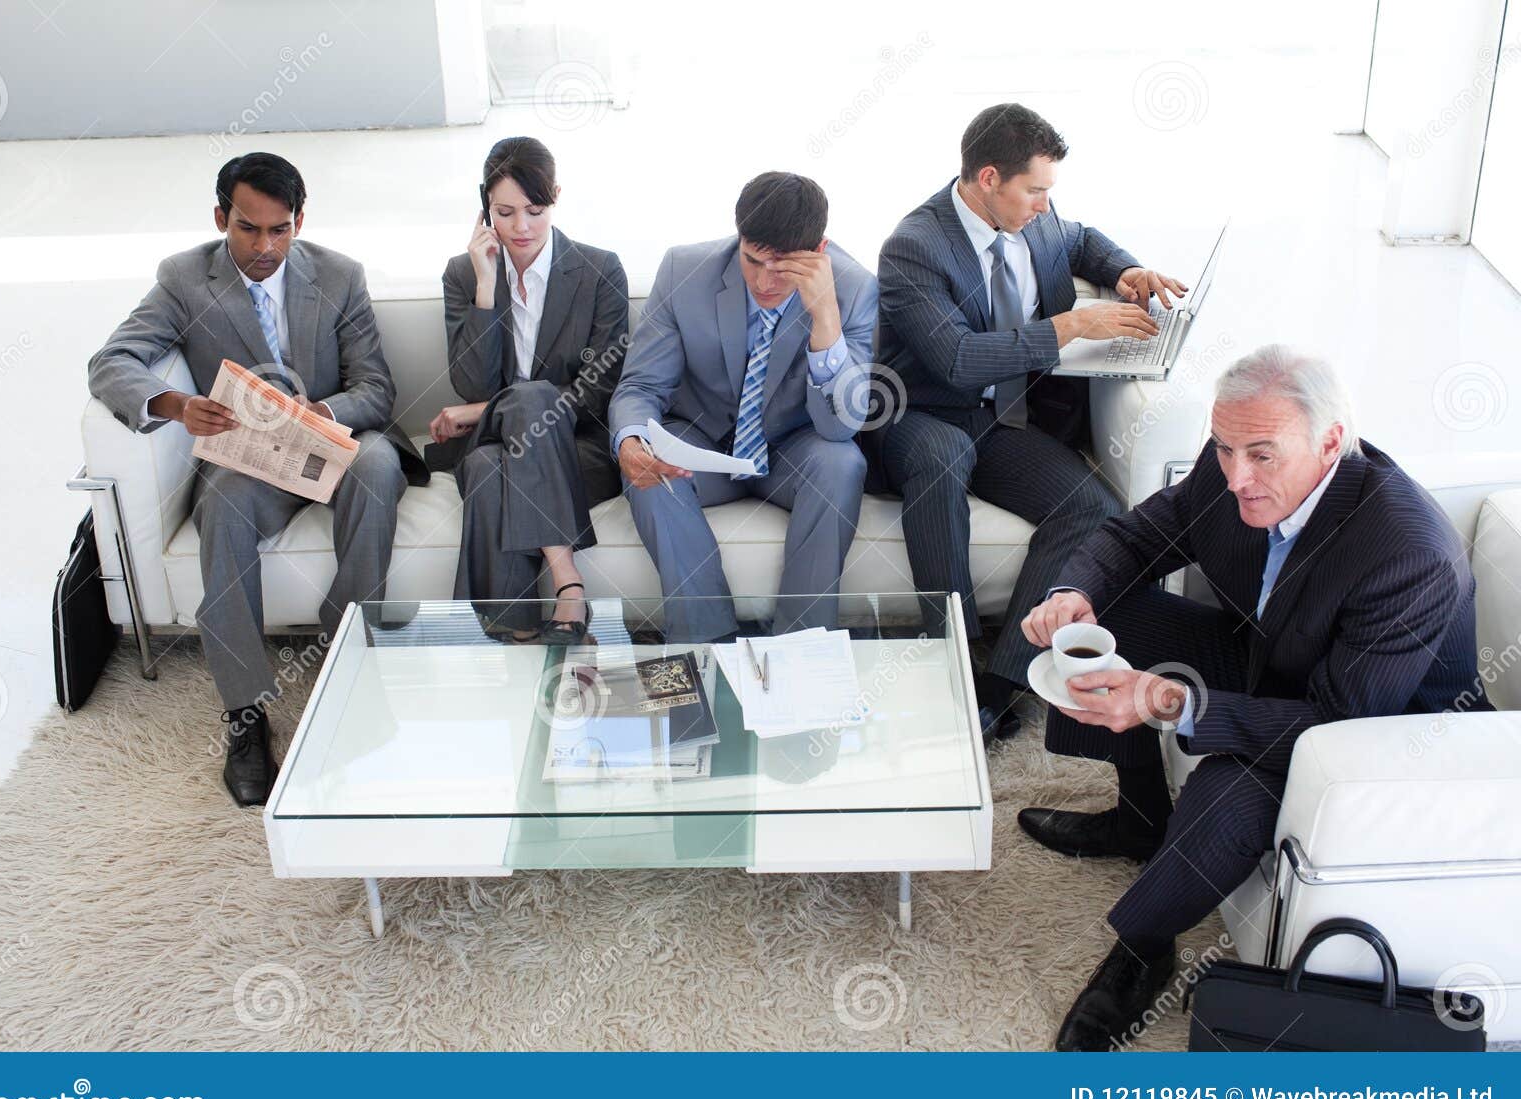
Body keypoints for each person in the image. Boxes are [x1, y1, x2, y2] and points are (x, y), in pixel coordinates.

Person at [1016, 345, 1489, 1050]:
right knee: (1108, 621)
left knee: (1224, 794)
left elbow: (1336, 720)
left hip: (1370, 737)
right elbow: (1138, 536)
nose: (1236, 477)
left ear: (1331, 442)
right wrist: (1073, 595)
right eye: (1224, 448)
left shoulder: (1406, 553)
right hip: (1279, 661)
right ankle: (1139, 820)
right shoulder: (1231, 461)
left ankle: (1145, 950)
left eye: (1262, 455)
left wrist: (1172, 703)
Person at [88, 152, 428, 807]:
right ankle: (245, 713)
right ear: (222, 218)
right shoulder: (184, 280)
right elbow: (111, 362)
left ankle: (345, 644)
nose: (265, 246)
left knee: (380, 464)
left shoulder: (338, 276)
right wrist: (175, 406)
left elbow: (376, 388)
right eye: (248, 229)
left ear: (300, 221)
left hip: (331, 440)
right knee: (223, 514)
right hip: (248, 462)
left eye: (280, 230)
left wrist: (317, 415)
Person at [874, 103, 1187, 741]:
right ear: (988, 178)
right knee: (942, 459)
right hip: (919, 411)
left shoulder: (1037, 223)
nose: (1045, 204)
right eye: (1036, 190)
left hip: (999, 418)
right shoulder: (914, 247)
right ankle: (949, 658)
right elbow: (956, 358)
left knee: (1092, 507)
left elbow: (1080, 239)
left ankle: (1006, 677)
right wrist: (1071, 326)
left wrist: (1124, 269)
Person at [607, 172, 878, 642]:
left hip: (794, 452)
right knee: (649, 466)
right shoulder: (683, 271)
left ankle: (802, 645)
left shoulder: (854, 288)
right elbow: (641, 385)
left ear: (819, 252)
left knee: (844, 463)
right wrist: (630, 438)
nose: (763, 281)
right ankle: (705, 643)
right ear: (739, 240)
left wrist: (825, 318)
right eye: (752, 261)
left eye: (784, 268)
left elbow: (840, 427)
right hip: (702, 446)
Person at [433, 137, 629, 643]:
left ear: (556, 197)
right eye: (504, 212)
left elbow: (598, 389)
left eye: (535, 210)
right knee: (513, 418)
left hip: (575, 449)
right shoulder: (462, 273)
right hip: (497, 436)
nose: (521, 228)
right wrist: (484, 284)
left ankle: (508, 637)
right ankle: (569, 585)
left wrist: (481, 410)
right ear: (485, 210)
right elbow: (471, 381)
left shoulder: (599, 270)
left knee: (485, 466)